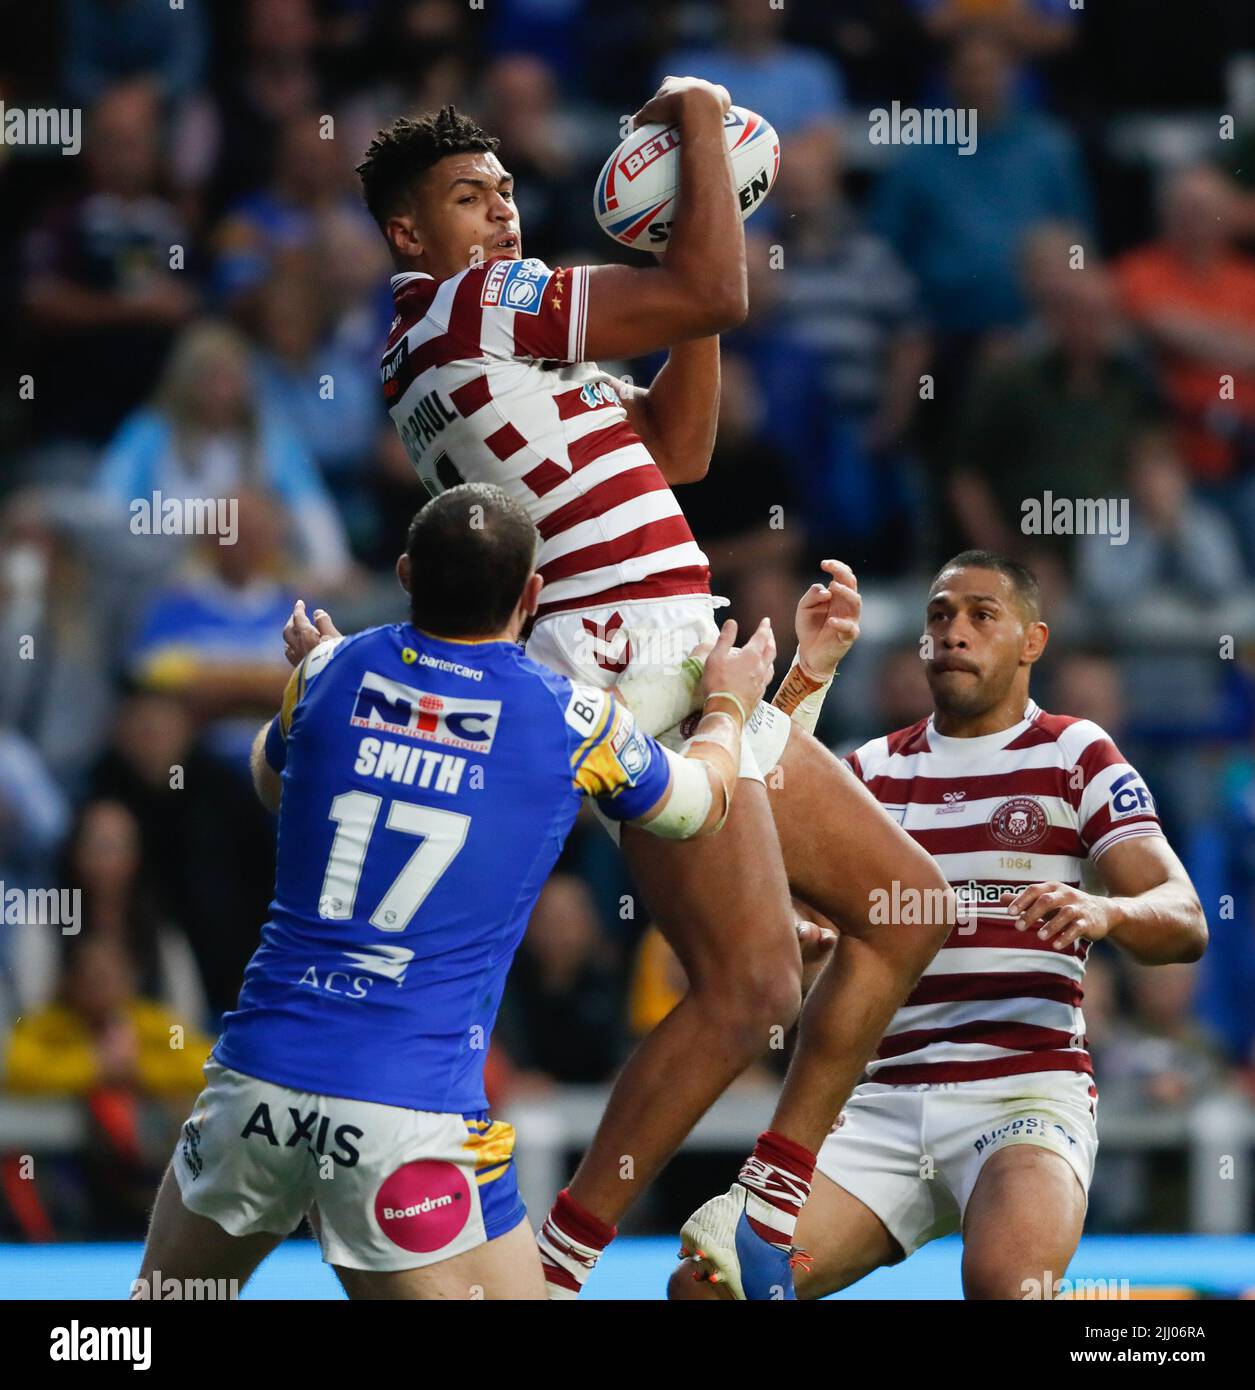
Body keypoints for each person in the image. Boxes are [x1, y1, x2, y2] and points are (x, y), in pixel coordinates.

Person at [329, 83, 952, 1299]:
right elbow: (718, 290)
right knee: (751, 984)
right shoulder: (475, 304)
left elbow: (680, 448)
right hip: (630, 658)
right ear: (409, 234)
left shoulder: (476, 343)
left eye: (508, 191)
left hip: (662, 646)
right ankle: (564, 1265)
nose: (504, 215)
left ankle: (767, 1194)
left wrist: (677, 251)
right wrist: (707, 126)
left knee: (906, 907)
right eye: (469, 197)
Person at [136, 483, 776, 1300]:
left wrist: (330, 690)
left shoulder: (328, 668)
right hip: (406, 1123)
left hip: (254, 1086)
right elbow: (698, 806)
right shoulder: (574, 716)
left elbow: (273, 783)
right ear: (532, 596)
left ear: (404, 572)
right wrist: (728, 700)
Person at [671, 551, 1207, 1300]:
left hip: (1022, 1092)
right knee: (705, 1290)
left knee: (1006, 1286)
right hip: (885, 1098)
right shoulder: (875, 770)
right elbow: (751, 799)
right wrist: (810, 672)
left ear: (1031, 641)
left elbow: (1183, 919)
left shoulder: (1073, 751)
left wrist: (1105, 910)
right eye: (937, 616)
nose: (952, 632)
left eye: (981, 615)